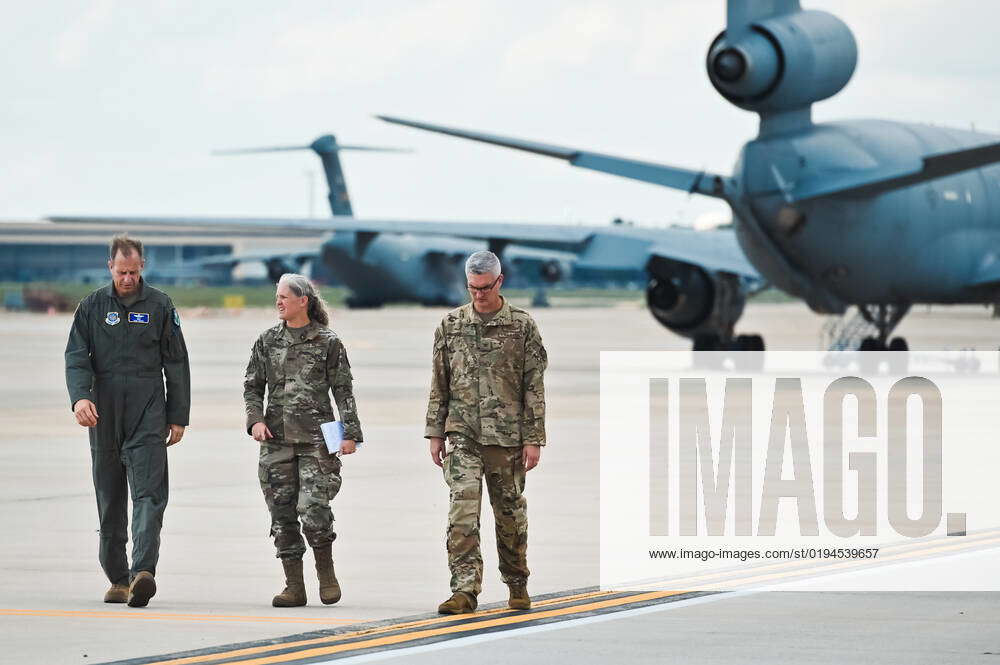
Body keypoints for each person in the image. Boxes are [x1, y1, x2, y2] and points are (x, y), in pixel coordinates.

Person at [64, 233, 190, 608]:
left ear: (142, 267)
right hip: (103, 413)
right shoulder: (91, 306)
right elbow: (76, 357)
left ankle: (142, 573)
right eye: (122, 272)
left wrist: (177, 415)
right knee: (110, 497)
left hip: (147, 410)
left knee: (149, 495)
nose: (128, 278)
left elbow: (176, 363)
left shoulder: (160, 305)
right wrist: (80, 397)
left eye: (133, 272)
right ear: (110, 267)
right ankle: (118, 577)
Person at [426, 250, 547, 614]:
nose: (479, 294)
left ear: (499, 282)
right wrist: (435, 431)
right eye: (472, 288)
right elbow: (439, 382)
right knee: (462, 515)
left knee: (509, 516)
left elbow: (533, 387)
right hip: (462, 435)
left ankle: (517, 582)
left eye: (485, 287)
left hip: (507, 438)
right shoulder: (451, 325)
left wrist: (533, 438)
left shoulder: (522, 326)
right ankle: (464, 590)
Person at [243, 273, 363, 607]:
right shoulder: (267, 341)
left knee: (313, 509)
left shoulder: (328, 342)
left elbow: (343, 390)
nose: (278, 302)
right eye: (277, 296)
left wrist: (350, 433)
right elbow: (252, 386)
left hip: (317, 441)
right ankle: (294, 586)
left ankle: (326, 573)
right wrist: (255, 420)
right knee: (281, 515)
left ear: (303, 301)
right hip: (276, 440)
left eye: (284, 296)